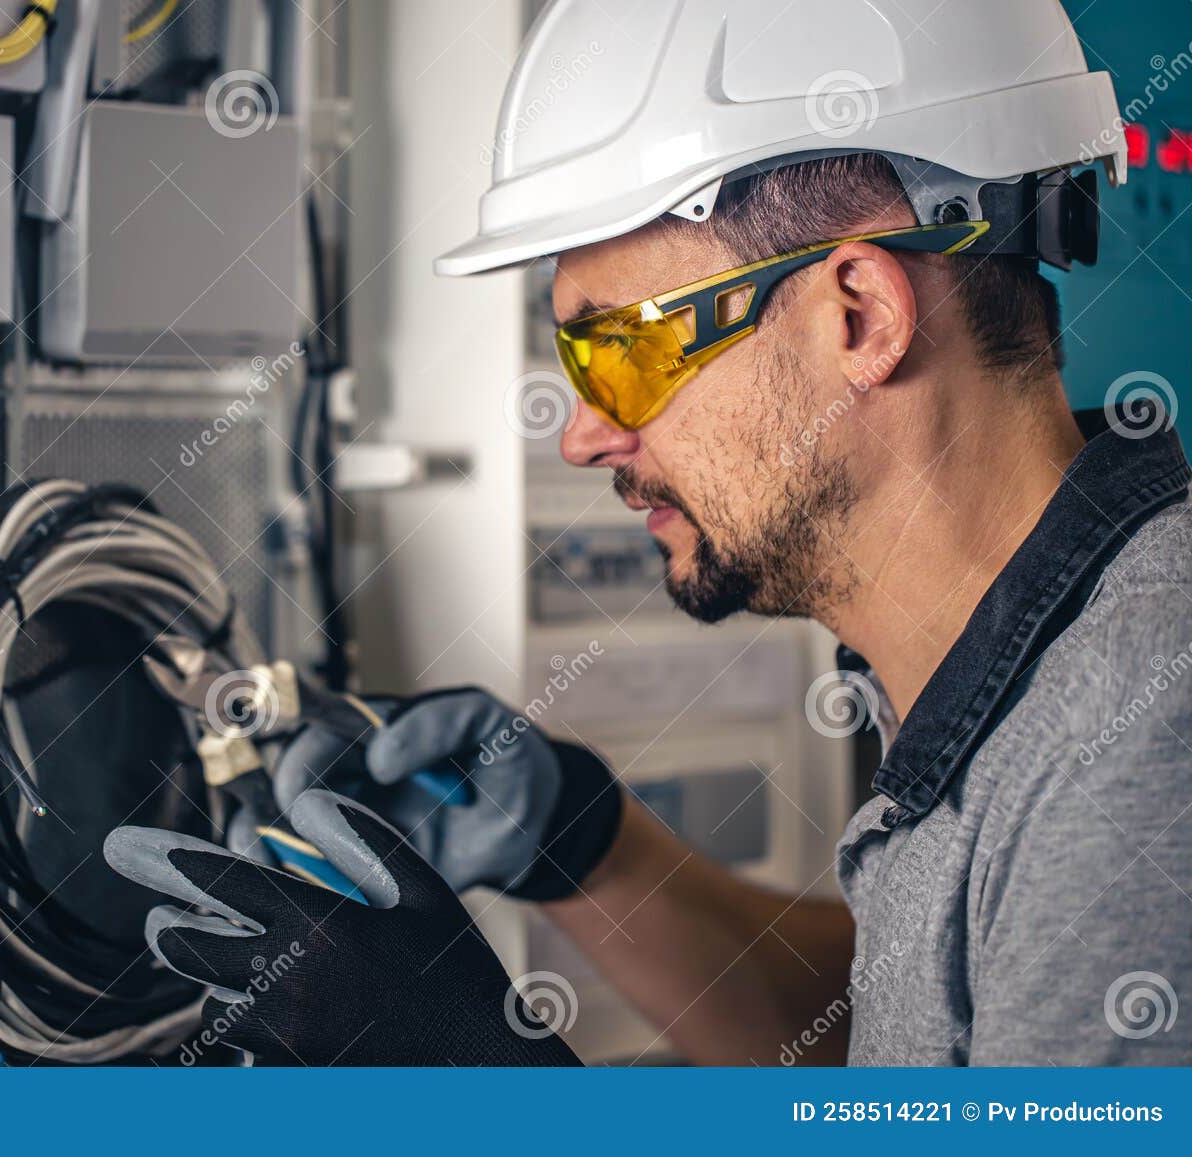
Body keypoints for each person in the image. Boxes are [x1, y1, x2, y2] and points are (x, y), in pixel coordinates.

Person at [105, 0, 1192, 1065]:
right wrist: (583, 848)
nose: (583, 434)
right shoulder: (1036, 688)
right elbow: (907, 1055)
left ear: (857, 314)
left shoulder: (1134, 733)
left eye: (616, 352)